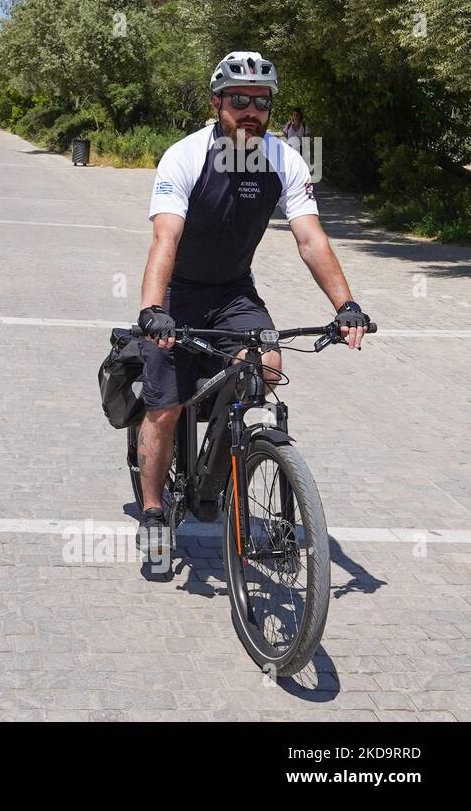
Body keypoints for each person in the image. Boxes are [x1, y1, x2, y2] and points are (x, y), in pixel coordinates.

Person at [134, 51, 370, 555]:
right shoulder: (185, 155)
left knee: (265, 365)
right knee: (166, 407)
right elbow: (165, 241)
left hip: (233, 292)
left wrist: (346, 304)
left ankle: (221, 455)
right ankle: (154, 507)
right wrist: (153, 309)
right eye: (239, 99)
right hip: (178, 293)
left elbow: (310, 239)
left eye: (261, 101)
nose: (250, 110)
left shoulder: (285, 159)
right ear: (217, 101)